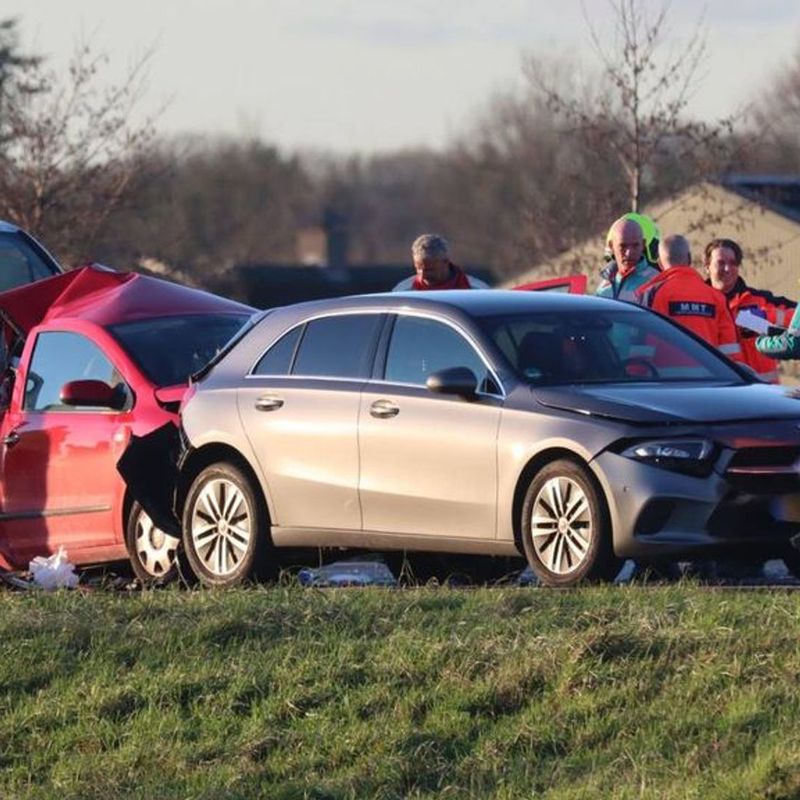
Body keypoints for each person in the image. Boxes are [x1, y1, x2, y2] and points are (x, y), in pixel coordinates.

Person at [704, 238, 797, 382]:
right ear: (707, 267)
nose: (727, 269)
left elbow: (796, 315)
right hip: (715, 390)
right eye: (721, 263)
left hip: (763, 392)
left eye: (733, 263)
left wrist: (766, 317)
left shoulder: (759, 300)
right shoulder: (699, 304)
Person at [636, 234, 742, 359]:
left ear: (660, 263)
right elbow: (730, 351)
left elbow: (643, 346)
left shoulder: (652, 294)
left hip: (666, 375)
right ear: (689, 258)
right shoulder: (716, 297)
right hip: (708, 375)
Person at [393, 234, 488, 291]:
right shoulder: (403, 292)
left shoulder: (476, 290)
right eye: (418, 269)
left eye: (430, 270)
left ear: (446, 261)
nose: (422, 275)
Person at [597, 216, 660, 302]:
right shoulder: (604, 285)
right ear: (611, 246)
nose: (629, 253)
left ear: (643, 244)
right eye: (623, 246)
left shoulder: (656, 283)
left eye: (635, 246)